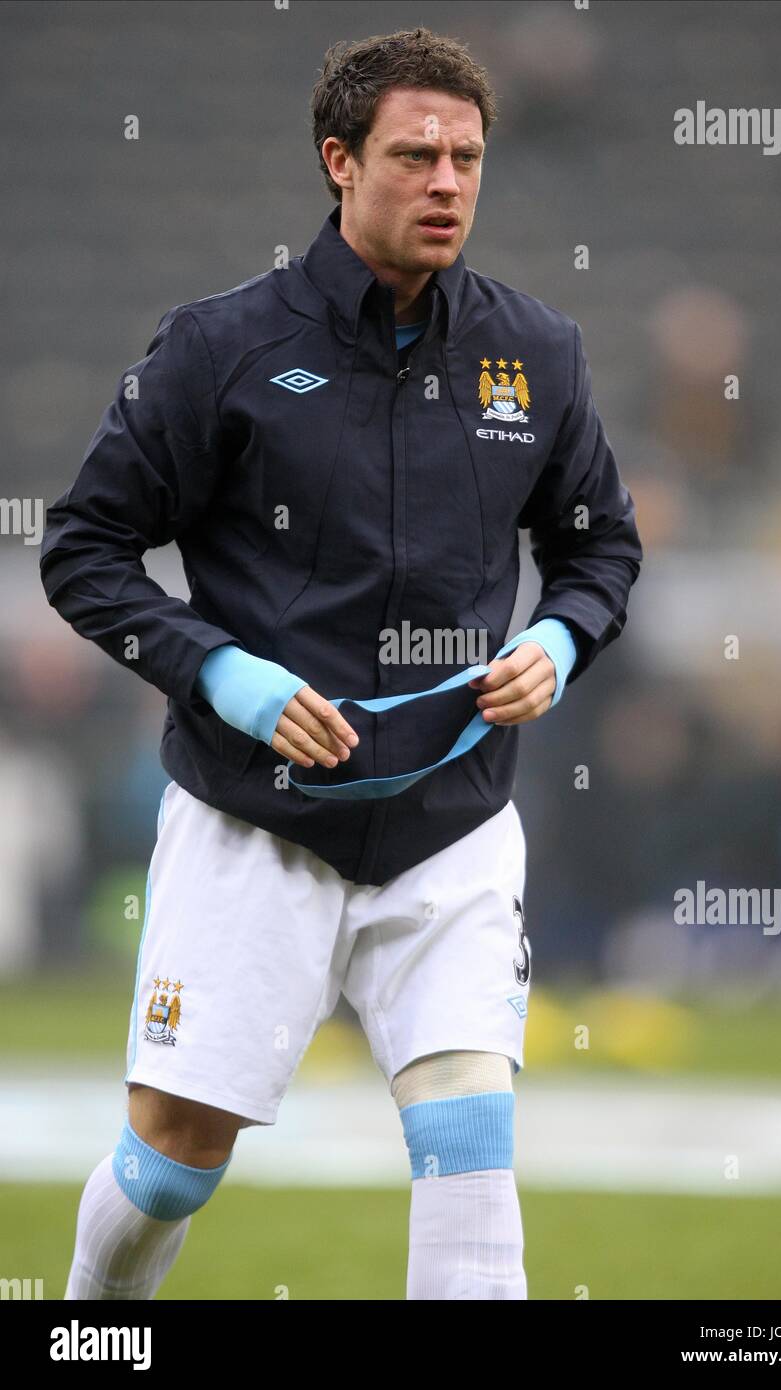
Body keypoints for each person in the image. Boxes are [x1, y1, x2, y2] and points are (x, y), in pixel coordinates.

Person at [40, 26, 641, 1301]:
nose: (446, 183)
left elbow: (600, 556)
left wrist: (557, 638)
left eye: (466, 158)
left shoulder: (536, 352)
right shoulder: (219, 347)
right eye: (414, 155)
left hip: (453, 821)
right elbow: (83, 551)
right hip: (255, 823)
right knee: (172, 1165)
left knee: (470, 1152)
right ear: (337, 161)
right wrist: (225, 677)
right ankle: (88, 1323)